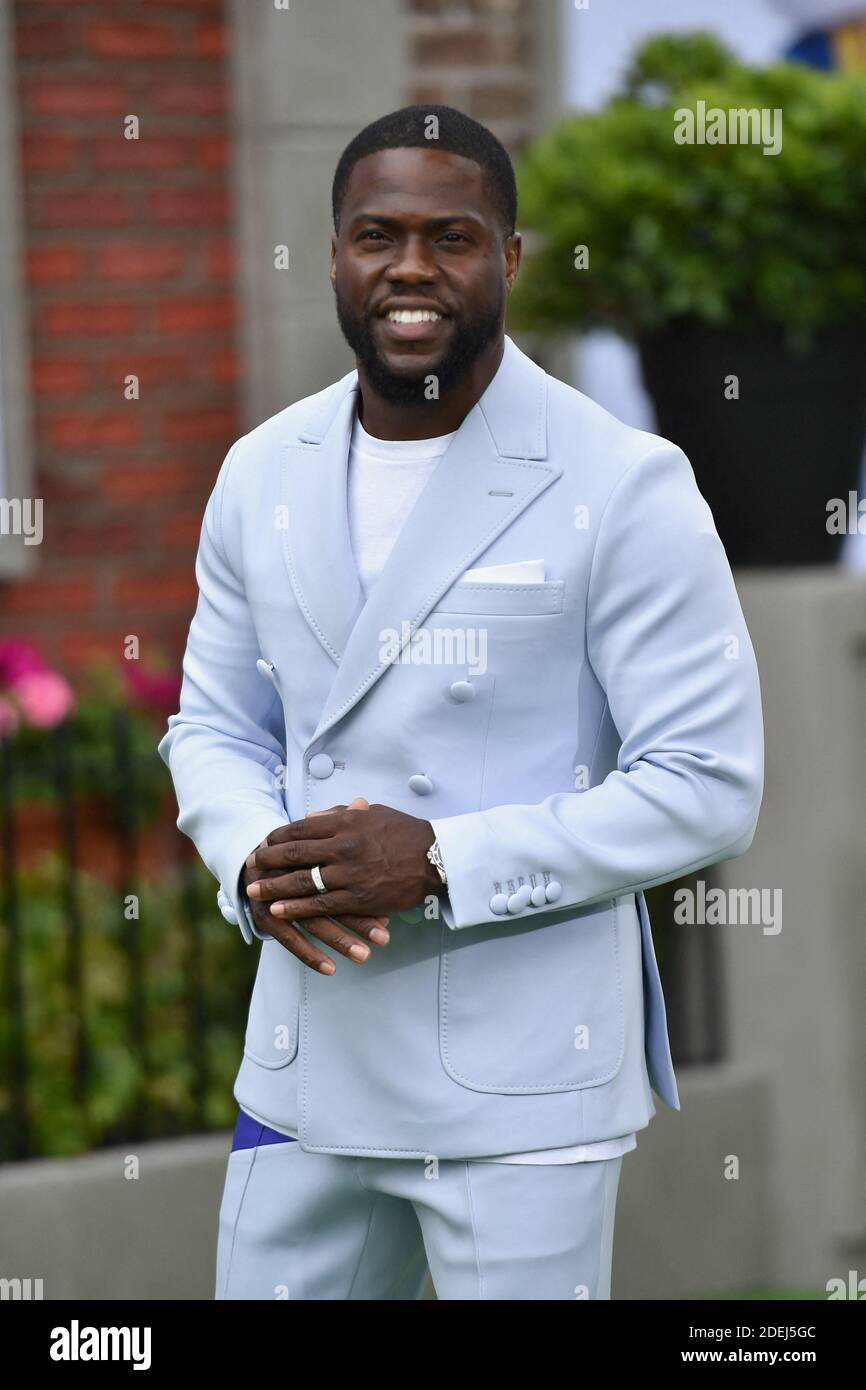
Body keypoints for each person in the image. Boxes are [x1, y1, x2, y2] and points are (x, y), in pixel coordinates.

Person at [158, 104, 764, 1301]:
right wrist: (253, 864)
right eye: (376, 234)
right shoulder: (257, 471)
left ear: (510, 258)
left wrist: (437, 856)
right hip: (305, 1062)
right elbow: (214, 725)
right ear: (334, 252)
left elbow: (705, 788)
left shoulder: (623, 482)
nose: (410, 270)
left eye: (453, 236)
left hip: (522, 1085)